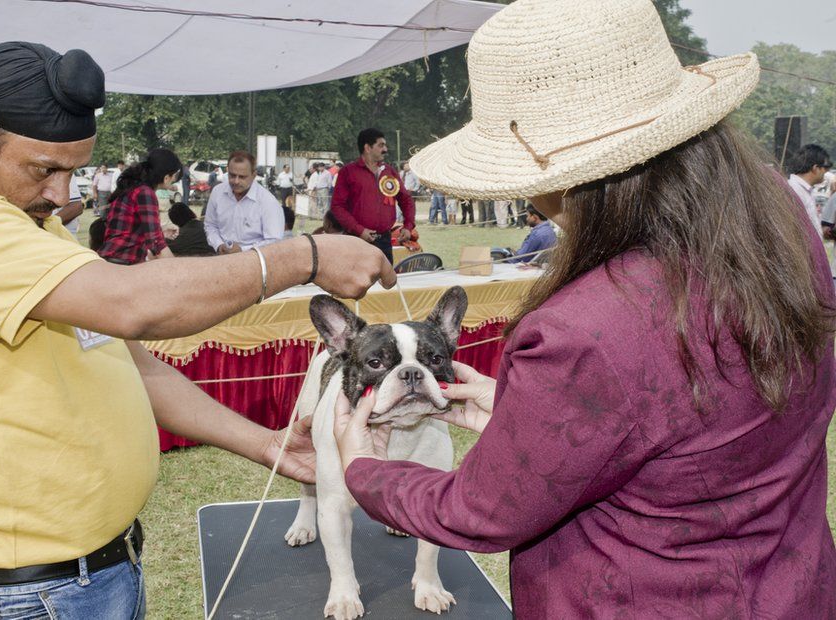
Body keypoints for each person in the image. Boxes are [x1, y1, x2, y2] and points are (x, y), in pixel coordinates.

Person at [331, 1, 836, 617]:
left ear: (563, 181)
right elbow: (697, 416)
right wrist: (539, 415)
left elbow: (482, 512)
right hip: (791, 587)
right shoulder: (781, 222)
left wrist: (365, 467)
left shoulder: (583, 328)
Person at [0, 41, 396, 620]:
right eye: (45, 169)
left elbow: (133, 365)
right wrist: (303, 257)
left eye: (72, 171)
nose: (61, 196)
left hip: (94, 571)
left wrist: (267, 446)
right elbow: (130, 305)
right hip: (27, 594)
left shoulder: (26, 222)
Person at [330, 128, 416, 263]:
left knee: (386, 277)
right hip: (356, 241)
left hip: (384, 241)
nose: (385, 149)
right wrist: (359, 230)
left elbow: (406, 199)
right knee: (359, 277)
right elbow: (337, 206)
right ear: (367, 148)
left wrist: (408, 226)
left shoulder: (389, 171)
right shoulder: (348, 172)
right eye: (381, 145)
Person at [98, 149, 179, 264]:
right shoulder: (145, 193)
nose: (174, 180)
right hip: (122, 262)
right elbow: (156, 244)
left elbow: (131, 229)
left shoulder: (134, 188)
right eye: (174, 176)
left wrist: (162, 232)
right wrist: (179, 269)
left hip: (114, 258)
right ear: (166, 178)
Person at [204, 150, 284, 254]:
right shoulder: (218, 192)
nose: (236, 181)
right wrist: (219, 245)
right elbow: (210, 225)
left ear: (254, 175)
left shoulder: (268, 202)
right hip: (221, 257)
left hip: (254, 260)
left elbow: (274, 241)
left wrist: (243, 250)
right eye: (232, 175)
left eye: (242, 177)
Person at [787, 144, 832, 237]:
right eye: (826, 167)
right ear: (815, 168)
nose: (827, 171)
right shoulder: (792, 190)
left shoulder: (806, 190)